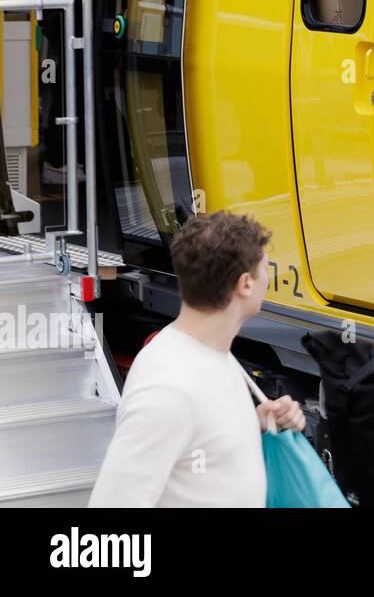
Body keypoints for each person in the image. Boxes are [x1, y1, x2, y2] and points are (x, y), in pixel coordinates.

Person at [89, 212, 305, 507]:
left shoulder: (212, 354)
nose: (270, 278)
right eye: (265, 269)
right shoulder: (168, 385)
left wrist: (258, 423)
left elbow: (197, 448)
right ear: (245, 284)